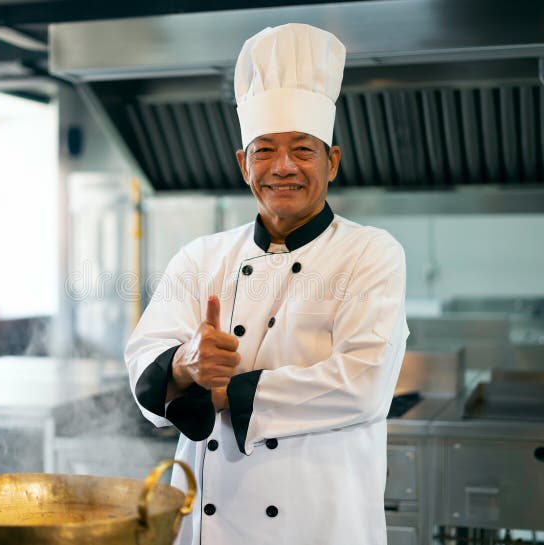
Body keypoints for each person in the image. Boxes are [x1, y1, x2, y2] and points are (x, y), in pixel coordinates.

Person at [125, 23, 408, 545]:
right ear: (242, 164)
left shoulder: (371, 252)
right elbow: (144, 361)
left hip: (320, 525)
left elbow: (362, 385)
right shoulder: (202, 256)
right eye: (264, 151)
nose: (282, 168)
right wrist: (185, 363)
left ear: (333, 161)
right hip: (208, 526)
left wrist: (220, 393)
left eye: (302, 150)